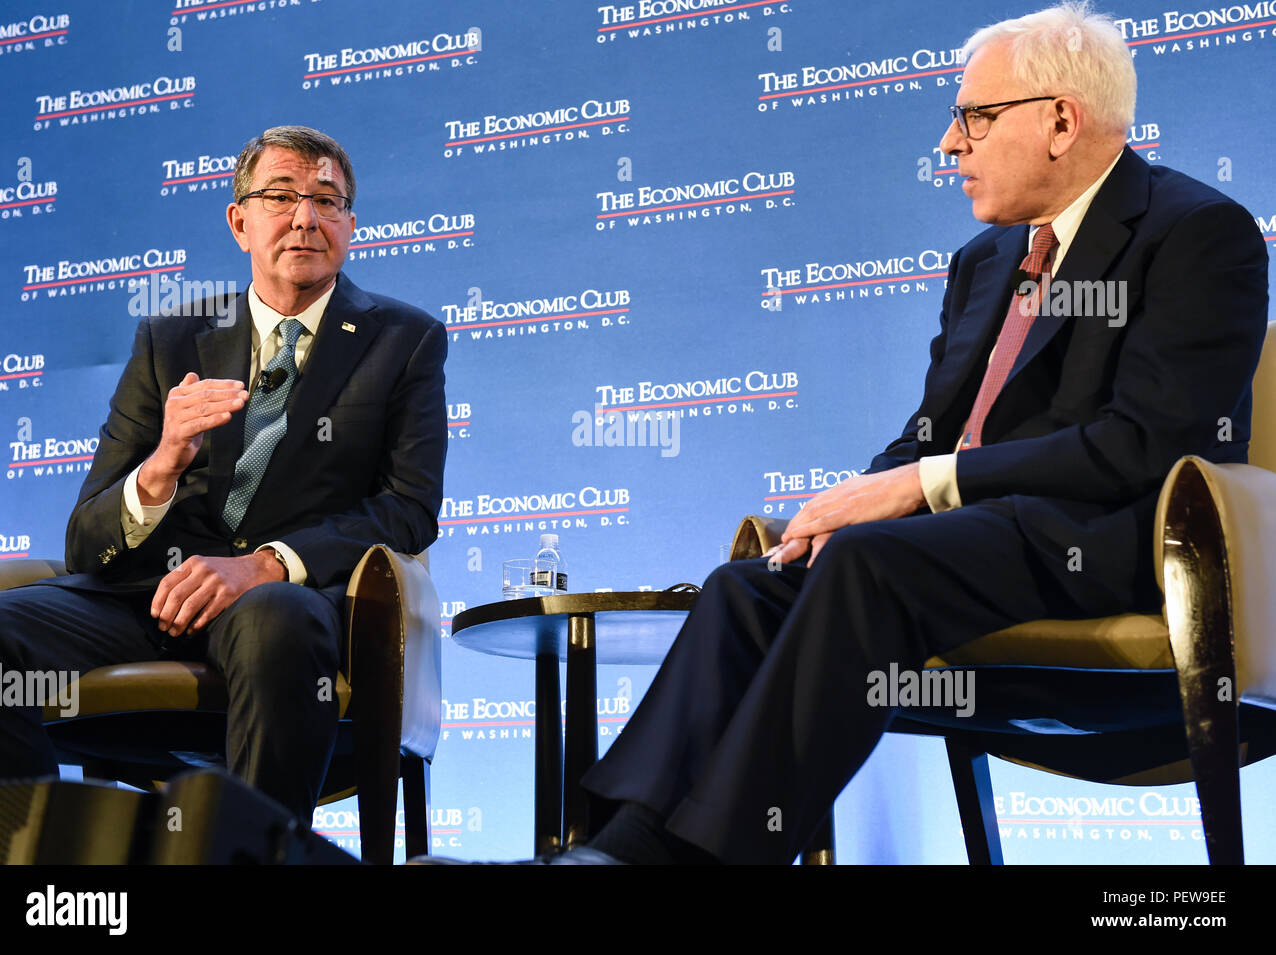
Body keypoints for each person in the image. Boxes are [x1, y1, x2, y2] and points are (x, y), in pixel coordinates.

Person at [427, 2, 1270, 864]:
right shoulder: (984, 263)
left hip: (1111, 545)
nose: (950, 144)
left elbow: (1148, 442)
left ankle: (701, 860)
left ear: (1062, 120)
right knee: (745, 588)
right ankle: (608, 847)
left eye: (974, 116)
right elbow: (932, 432)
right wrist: (856, 497)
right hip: (964, 548)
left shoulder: (1197, 232)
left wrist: (922, 487)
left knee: (872, 563)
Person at [0, 125, 447, 823]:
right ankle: (34, 857)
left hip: (285, 603)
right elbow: (86, 539)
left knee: (273, 623)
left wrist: (264, 565)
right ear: (239, 221)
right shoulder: (170, 338)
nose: (304, 218)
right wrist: (162, 466)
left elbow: (408, 508)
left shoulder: (403, 340)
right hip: (148, 600)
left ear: (351, 222)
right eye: (281, 196)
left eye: (327, 200)